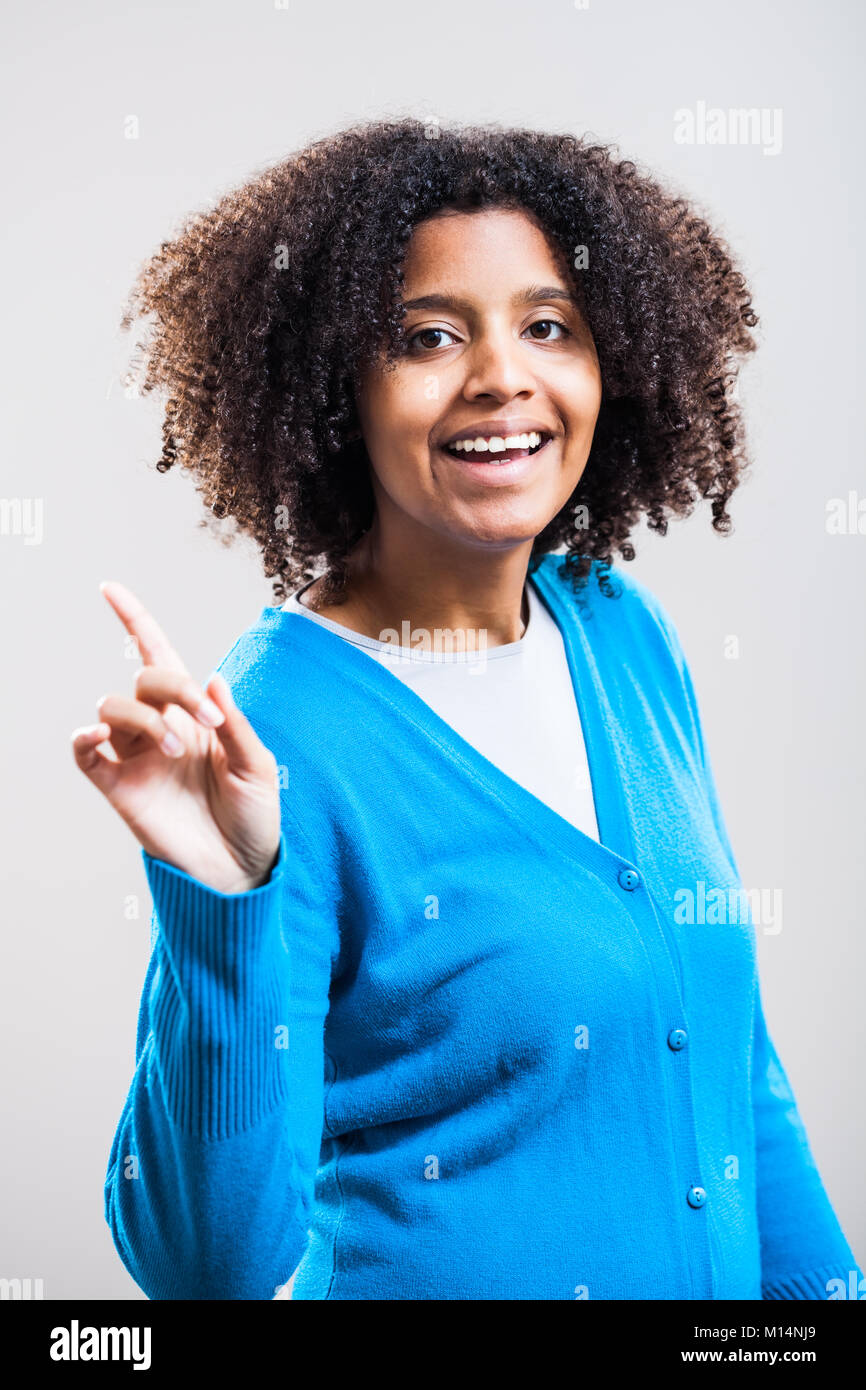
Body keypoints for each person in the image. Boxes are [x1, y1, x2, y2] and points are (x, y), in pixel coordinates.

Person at [73, 119, 862, 1300]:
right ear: (338, 386)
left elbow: (731, 1075)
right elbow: (208, 1267)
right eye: (428, 336)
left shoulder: (619, 633)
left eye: (548, 326)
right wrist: (222, 907)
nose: (502, 375)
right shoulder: (278, 733)